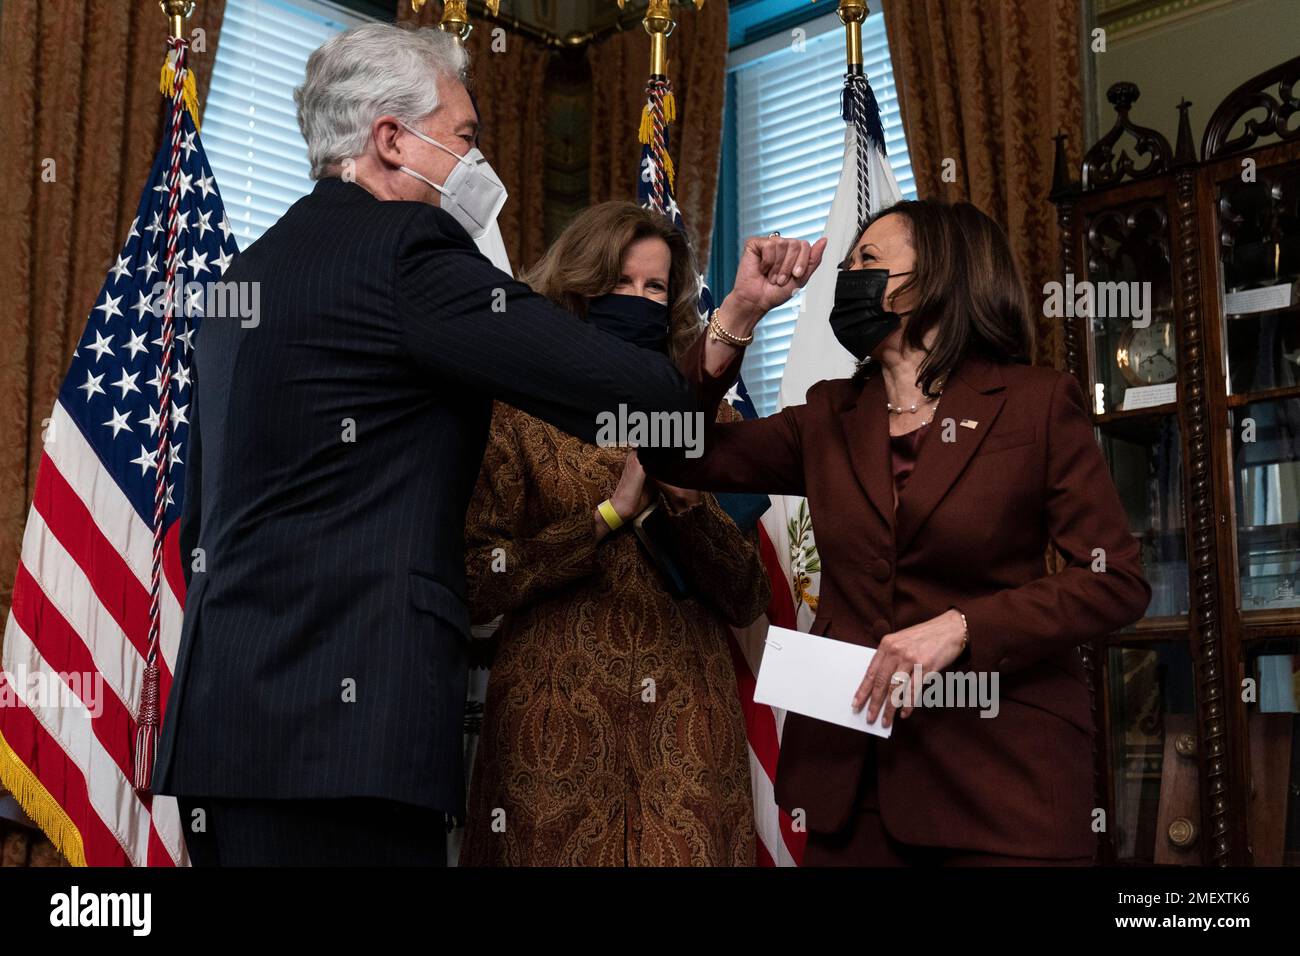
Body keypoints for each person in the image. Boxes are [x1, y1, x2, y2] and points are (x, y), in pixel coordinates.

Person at [150, 23, 818, 866]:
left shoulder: (243, 277)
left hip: (223, 726)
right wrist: (733, 319)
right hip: (352, 739)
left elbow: (201, 513)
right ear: (390, 139)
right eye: (464, 137)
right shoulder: (409, 251)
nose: (475, 163)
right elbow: (644, 396)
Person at [641, 199, 1152, 865]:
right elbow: (669, 448)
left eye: (867, 262)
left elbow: (1114, 581)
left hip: (999, 792)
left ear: (937, 276)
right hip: (849, 795)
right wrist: (739, 312)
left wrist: (963, 627)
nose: (846, 276)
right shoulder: (828, 414)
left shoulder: (1037, 405)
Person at [458, 202, 771, 866]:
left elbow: (747, 597)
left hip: (686, 728)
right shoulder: (515, 405)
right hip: (551, 733)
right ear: (579, 287)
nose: (637, 300)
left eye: (654, 287)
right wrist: (605, 516)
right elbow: (475, 580)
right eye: (618, 284)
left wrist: (689, 503)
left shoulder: (708, 411)